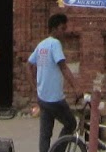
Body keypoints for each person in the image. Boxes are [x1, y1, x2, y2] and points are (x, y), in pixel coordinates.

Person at [29, 13, 80, 152]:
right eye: (62, 29)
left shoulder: (41, 45)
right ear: (54, 29)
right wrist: (77, 88)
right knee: (71, 123)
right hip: (55, 98)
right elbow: (63, 67)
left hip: (42, 97)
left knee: (45, 134)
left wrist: (35, 87)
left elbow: (29, 64)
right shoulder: (55, 43)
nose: (64, 32)